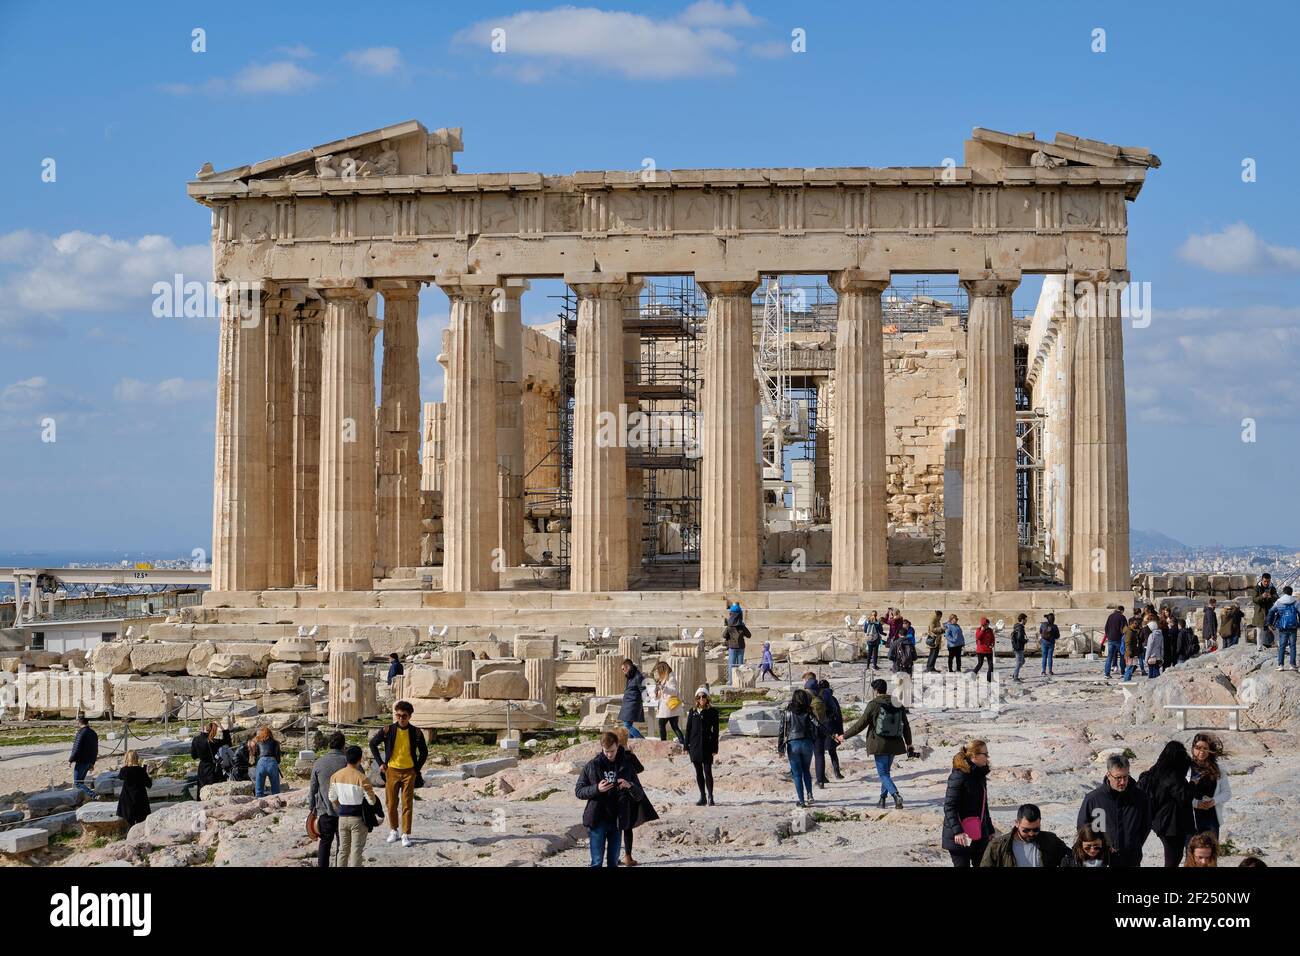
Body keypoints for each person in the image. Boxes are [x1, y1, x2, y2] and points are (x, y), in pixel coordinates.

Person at [837, 678, 916, 808]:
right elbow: (906, 726)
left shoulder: (874, 704)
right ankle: (882, 799)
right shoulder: (897, 703)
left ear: (875, 690)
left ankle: (896, 795)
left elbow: (860, 724)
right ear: (886, 689)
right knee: (886, 773)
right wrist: (909, 744)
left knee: (883, 774)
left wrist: (844, 736)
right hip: (895, 743)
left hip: (879, 743)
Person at [575, 731, 646, 867]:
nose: (609, 755)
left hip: (617, 820)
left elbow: (639, 794)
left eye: (612, 751)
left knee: (613, 862)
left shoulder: (626, 764)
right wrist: (596, 789)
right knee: (597, 862)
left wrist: (629, 785)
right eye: (606, 751)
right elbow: (579, 791)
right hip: (597, 819)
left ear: (618, 746)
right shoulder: (592, 765)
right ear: (602, 748)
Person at [368, 700, 428, 848]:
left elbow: (424, 752)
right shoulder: (388, 729)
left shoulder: (416, 732)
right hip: (392, 771)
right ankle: (393, 830)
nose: (401, 718)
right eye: (398, 715)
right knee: (391, 803)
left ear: (410, 716)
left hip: (409, 772)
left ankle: (406, 833)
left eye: (404, 716)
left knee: (407, 804)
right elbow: (372, 744)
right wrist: (381, 763)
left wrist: (416, 768)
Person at [1076, 753, 1152, 866]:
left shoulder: (1140, 797)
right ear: (1108, 775)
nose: (1122, 782)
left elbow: (1145, 826)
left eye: (1125, 777)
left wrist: (1133, 845)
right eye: (1118, 778)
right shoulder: (1093, 799)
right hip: (1102, 859)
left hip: (1131, 859)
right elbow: (1082, 828)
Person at [1138, 741, 1198, 867]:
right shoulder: (1172, 775)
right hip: (1172, 824)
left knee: (1173, 856)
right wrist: (1193, 783)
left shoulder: (1155, 771)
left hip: (1160, 822)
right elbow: (1184, 796)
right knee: (1173, 858)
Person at [942, 739, 995, 867]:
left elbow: (983, 806)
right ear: (974, 756)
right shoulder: (959, 776)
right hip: (959, 837)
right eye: (985, 754)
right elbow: (949, 806)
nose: (987, 757)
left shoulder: (980, 774)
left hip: (979, 833)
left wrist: (989, 829)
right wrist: (958, 831)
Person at [609, 727, 658, 866]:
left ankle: (614, 856)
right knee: (627, 827)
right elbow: (640, 769)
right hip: (629, 794)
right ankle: (628, 856)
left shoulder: (611, 757)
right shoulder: (628, 756)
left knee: (616, 828)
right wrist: (629, 751)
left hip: (614, 794)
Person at [328, 744, 379, 867]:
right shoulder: (362, 778)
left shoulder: (336, 776)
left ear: (346, 758)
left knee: (343, 850)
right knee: (356, 851)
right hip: (357, 819)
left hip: (342, 817)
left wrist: (340, 806)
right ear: (360, 759)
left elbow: (332, 798)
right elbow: (371, 801)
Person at [777, 688, 826, 808]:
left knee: (797, 774)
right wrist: (831, 734)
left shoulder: (786, 712)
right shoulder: (808, 712)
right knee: (806, 771)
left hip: (793, 744)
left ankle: (801, 800)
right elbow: (818, 724)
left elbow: (781, 731)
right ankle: (810, 795)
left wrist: (780, 748)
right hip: (807, 743)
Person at [980, 804, 1068, 867]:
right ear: (1017, 823)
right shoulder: (997, 846)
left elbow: (1071, 857)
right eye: (1026, 830)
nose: (1031, 833)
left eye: (1035, 829)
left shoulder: (1050, 840)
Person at [309, 732, 349, 867]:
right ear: (343, 745)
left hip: (325, 810)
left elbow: (313, 789)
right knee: (342, 845)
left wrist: (312, 809)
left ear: (329, 744)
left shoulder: (319, 762)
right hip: (345, 811)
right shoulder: (348, 762)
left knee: (325, 843)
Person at [1188, 732, 1231, 840]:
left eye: (1205, 748)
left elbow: (1227, 793)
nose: (1201, 752)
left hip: (1211, 818)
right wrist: (1196, 803)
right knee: (1192, 854)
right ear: (1193, 748)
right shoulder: (1186, 769)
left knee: (1211, 852)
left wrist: (1214, 801)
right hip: (1190, 818)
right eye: (1198, 748)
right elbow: (1180, 794)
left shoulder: (1218, 769)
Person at [685, 688, 719, 806]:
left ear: (707, 698)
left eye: (703, 696)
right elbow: (688, 729)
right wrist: (686, 745)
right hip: (694, 746)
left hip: (707, 745)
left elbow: (715, 732)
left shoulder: (713, 712)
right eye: (698, 697)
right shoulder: (693, 711)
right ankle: (702, 796)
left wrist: (715, 748)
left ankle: (710, 796)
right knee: (698, 772)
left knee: (707, 771)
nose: (701, 699)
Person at [801, 674, 833, 787]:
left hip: (807, 728)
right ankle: (820, 780)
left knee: (803, 754)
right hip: (821, 727)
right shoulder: (825, 693)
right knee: (819, 754)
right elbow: (832, 709)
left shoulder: (804, 694)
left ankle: (802, 776)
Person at [190, 721, 232, 798]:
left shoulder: (196, 740)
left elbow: (194, 756)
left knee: (202, 790)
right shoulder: (213, 741)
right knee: (214, 792)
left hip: (202, 768)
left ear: (204, 728)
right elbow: (228, 742)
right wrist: (223, 728)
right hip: (213, 768)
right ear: (214, 730)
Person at [650, 661, 687, 746]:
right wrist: (656, 692)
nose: (658, 673)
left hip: (669, 707)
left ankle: (664, 743)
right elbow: (660, 694)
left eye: (659, 671)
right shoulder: (664, 678)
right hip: (669, 708)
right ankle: (683, 742)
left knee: (662, 725)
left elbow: (674, 691)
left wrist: (664, 687)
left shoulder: (671, 678)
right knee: (674, 726)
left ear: (662, 670)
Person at [817, 679, 845, 782]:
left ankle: (822, 776)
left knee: (820, 754)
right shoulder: (833, 699)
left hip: (822, 727)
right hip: (833, 727)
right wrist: (840, 731)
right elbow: (839, 715)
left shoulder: (818, 699)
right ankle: (837, 773)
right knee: (832, 751)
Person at [115, 750, 152, 826]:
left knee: (130, 825)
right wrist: (145, 772)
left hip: (127, 801)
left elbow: (120, 777)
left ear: (126, 759)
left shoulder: (124, 770)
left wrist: (126, 764)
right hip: (140, 801)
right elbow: (149, 784)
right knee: (140, 825)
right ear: (137, 758)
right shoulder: (141, 771)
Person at [1266, 584, 1298, 670]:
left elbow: (1271, 612)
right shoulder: (1296, 602)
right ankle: (1292, 665)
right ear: (1291, 593)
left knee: (1282, 646)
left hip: (1283, 627)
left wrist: (1269, 623)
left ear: (1284, 593)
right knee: (1293, 646)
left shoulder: (1279, 602)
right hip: (1293, 627)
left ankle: (1281, 665)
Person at [69, 715, 99, 797]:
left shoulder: (81, 733)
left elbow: (76, 747)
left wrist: (71, 759)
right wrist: (92, 762)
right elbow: (95, 749)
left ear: (79, 722)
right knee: (81, 782)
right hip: (89, 761)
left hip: (82, 761)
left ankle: (93, 795)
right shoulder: (93, 733)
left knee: (78, 783)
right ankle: (85, 798)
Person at [617, 658, 647, 739]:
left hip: (633, 704)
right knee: (627, 726)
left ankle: (643, 741)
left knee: (627, 726)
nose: (623, 671)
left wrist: (647, 700)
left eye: (623, 669)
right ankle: (631, 744)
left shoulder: (638, 676)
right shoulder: (630, 676)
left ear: (628, 667)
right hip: (628, 704)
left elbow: (643, 690)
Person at [252, 726, 283, 798]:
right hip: (272, 762)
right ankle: (276, 803)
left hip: (261, 762)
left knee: (259, 789)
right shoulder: (276, 743)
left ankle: (259, 804)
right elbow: (278, 759)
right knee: (276, 789)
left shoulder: (258, 743)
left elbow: (256, 756)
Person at [724, 600, 748, 684]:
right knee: (740, 665)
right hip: (741, 647)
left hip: (732, 647)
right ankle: (740, 681)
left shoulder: (729, 627)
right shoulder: (742, 626)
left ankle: (731, 681)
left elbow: (724, 635)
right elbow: (749, 635)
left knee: (731, 664)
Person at [1252, 572, 1278, 649]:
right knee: (1260, 631)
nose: (1266, 583)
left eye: (1268, 581)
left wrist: (1271, 596)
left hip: (1270, 612)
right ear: (1261, 580)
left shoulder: (1272, 588)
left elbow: (1276, 597)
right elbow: (1254, 599)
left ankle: (1280, 646)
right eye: (1265, 581)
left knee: (1275, 630)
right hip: (1260, 612)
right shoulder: (1256, 588)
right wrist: (1262, 596)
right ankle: (1259, 648)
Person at [1104, 605, 1127, 678]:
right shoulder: (1122, 617)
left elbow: (1106, 627)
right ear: (1122, 611)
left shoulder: (1110, 616)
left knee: (1109, 657)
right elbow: (1125, 628)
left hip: (1110, 639)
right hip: (1119, 639)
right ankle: (1123, 672)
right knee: (1122, 656)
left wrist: (1108, 636)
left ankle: (1107, 674)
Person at [972, 617, 995, 682]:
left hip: (988, 650)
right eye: (986, 624)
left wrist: (992, 644)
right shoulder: (979, 630)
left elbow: (992, 638)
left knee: (991, 665)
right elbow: (978, 637)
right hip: (981, 650)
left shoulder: (990, 630)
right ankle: (973, 674)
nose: (987, 625)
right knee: (980, 663)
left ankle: (989, 679)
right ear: (983, 624)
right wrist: (982, 630)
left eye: (988, 624)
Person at [1010, 613, 1028, 682]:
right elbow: (1020, 638)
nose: (1026, 621)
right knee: (1019, 662)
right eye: (1026, 620)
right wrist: (1025, 641)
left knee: (1022, 661)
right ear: (1023, 619)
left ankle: (1015, 674)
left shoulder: (1016, 626)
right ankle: (1015, 677)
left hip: (1017, 647)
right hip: (1018, 647)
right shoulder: (1020, 627)